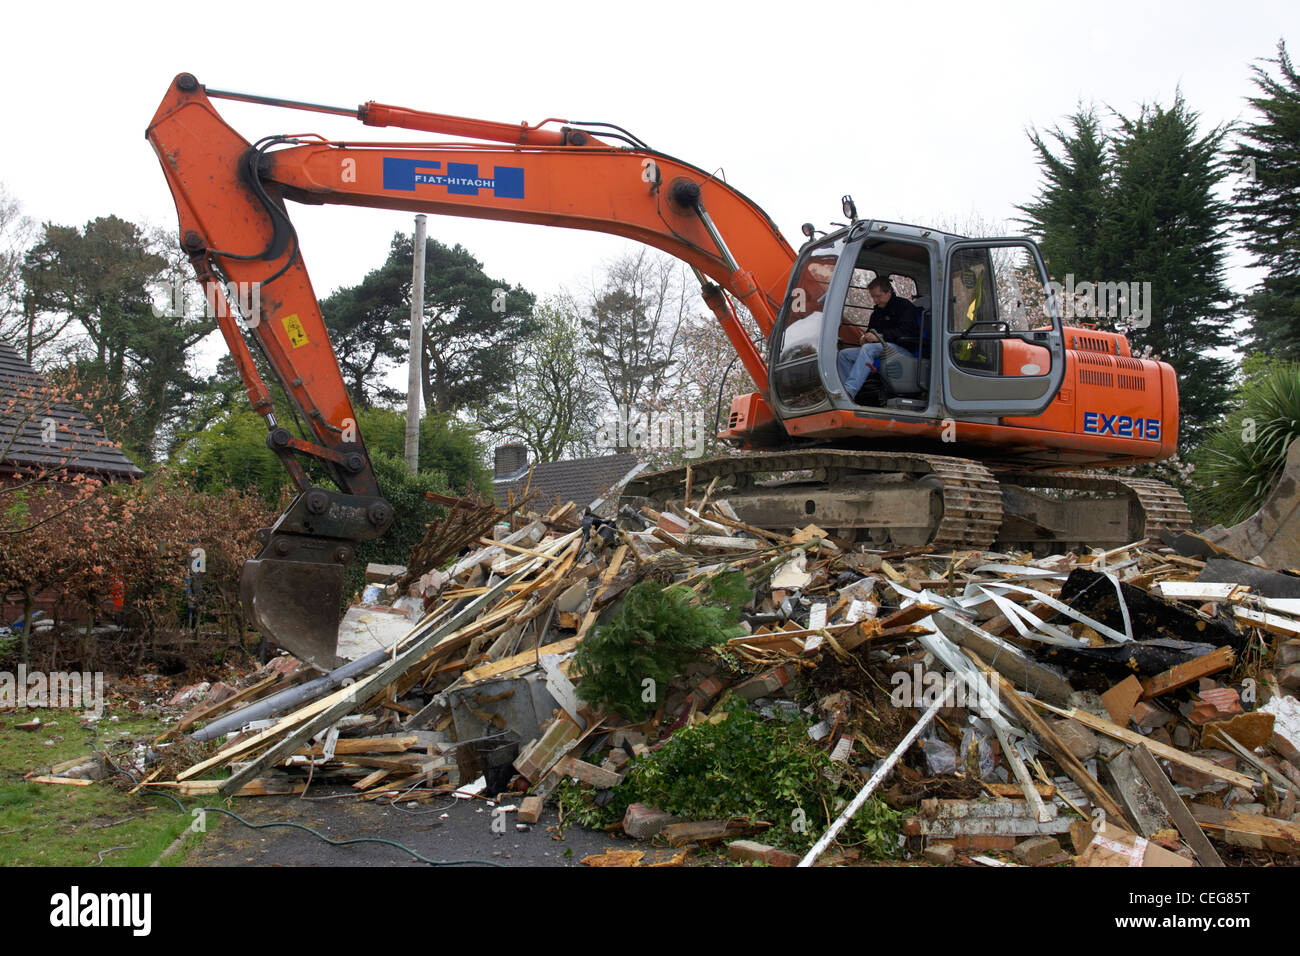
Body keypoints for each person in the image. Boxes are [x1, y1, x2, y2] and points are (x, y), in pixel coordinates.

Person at [837, 276, 921, 401]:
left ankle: (850, 391)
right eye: (873, 297)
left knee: (869, 349)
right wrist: (864, 338)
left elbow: (908, 331)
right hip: (880, 349)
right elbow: (870, 331)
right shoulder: (877, 312)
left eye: (878, 296)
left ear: (889, 292)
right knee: (844, 355)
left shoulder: (904, 307)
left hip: (902, 349)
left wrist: (881, 336)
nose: (875, 300)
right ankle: (846, 391)